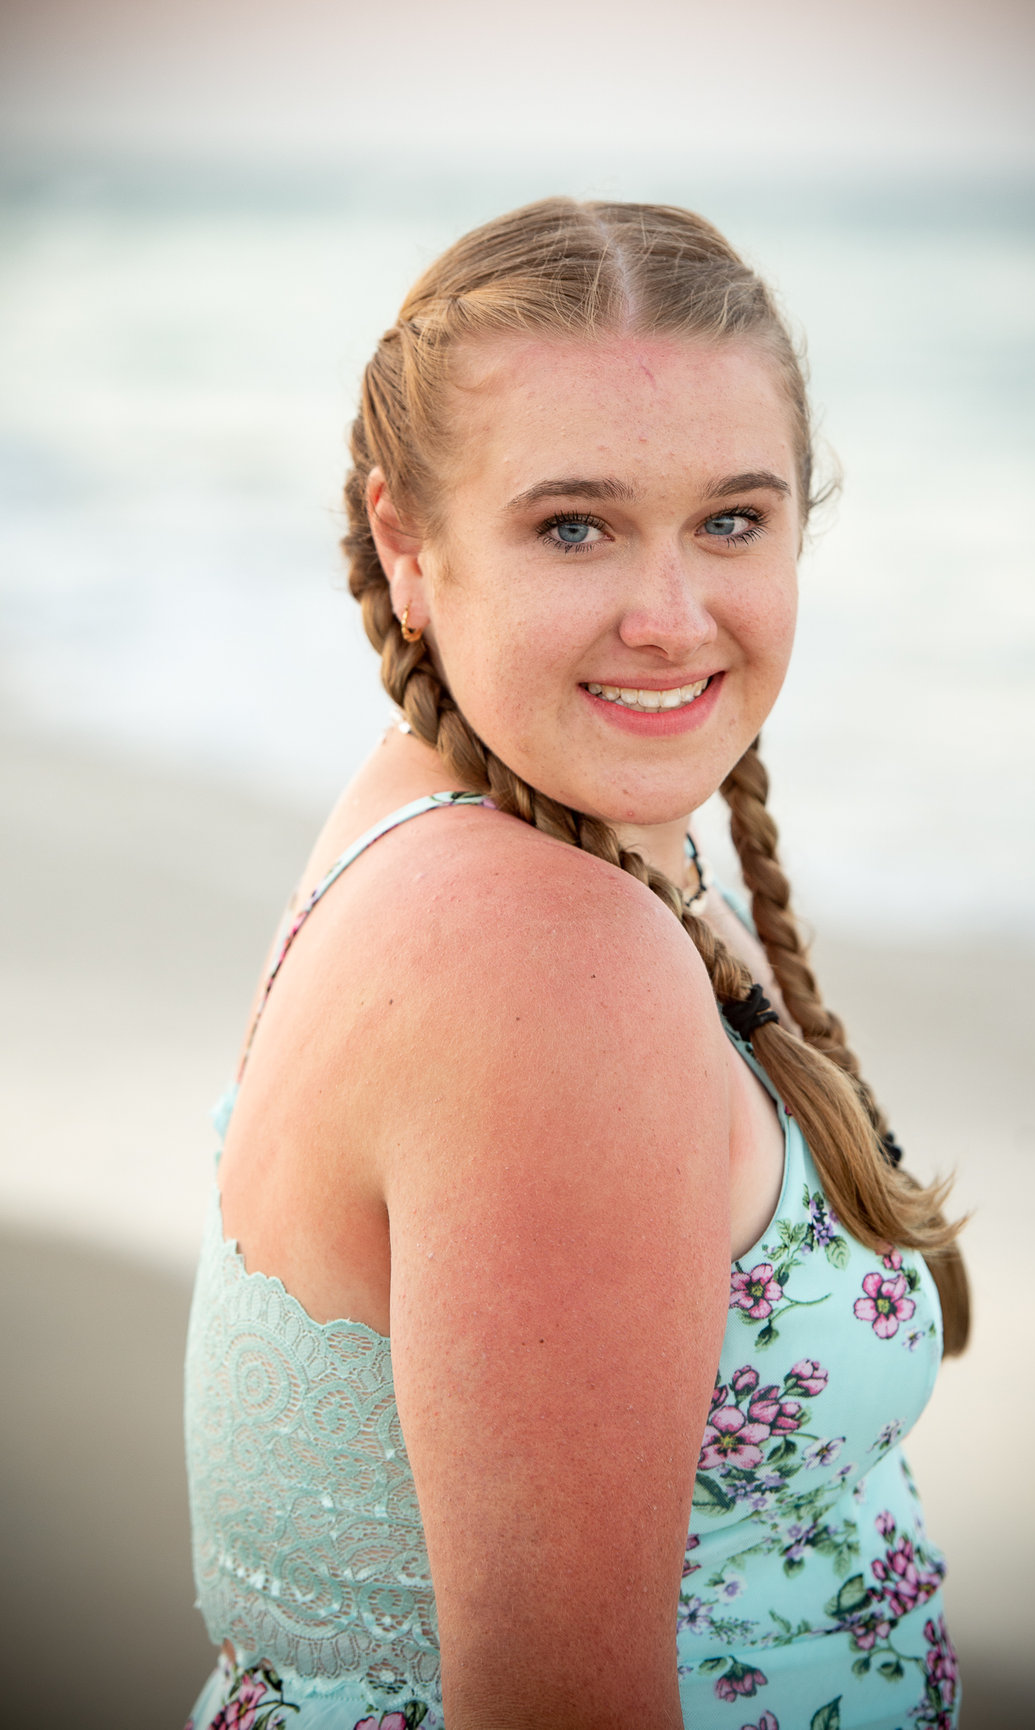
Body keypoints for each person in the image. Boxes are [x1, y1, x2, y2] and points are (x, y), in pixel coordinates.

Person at [183, 197, 969, 1730]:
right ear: (409, 547)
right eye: (573, 525)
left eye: (732, 520)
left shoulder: (442, 796)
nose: (670, 620)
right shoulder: (552, 955)